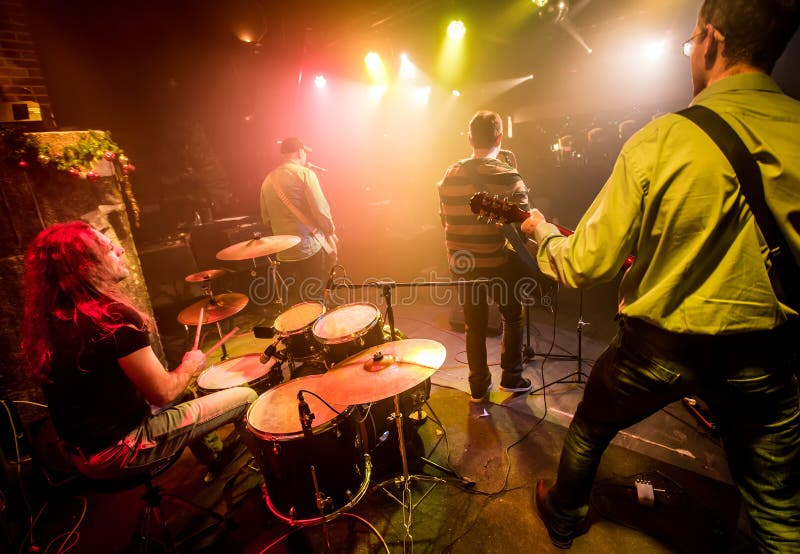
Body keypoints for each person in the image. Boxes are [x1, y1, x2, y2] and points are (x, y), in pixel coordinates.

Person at [521, 1, 800, 550]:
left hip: (659, 348)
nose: (690, 53)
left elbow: (586, 264)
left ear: (712, 40)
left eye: (690, 41)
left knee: (590, 427)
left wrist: (541, 235)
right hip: (764, 355)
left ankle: (564, 515)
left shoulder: (662, 140)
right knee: (777, 508)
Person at [20, 221, 258, 480]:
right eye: (110, 248)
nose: (121, 250)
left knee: (186, 393)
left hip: (78, 454)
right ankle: (277, 483)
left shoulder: (53, 320)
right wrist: (191, 363)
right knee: (245, 396)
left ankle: (215, 461)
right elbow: (162, 393)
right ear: (87, 266)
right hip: (121, 449)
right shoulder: (113, 319)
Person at [437, 110, 533, 402]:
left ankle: (478, 386)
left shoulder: (448, 176)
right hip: (497, 263)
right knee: (513, 315)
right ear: (500, 138)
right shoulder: (508, 176)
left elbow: (444, 220)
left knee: (473, 324)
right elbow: (525, 227)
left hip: (462, 264)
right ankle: (512, 377)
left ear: (469, 138)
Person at [260, 137, 337, 306]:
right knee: (316, 299)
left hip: (284, 253)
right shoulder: (305, 174)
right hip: (309, 248)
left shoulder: (268, 180)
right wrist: (330, 232)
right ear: (300, 152)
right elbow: (321, 211)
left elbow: (266, 219)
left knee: (295, 303)